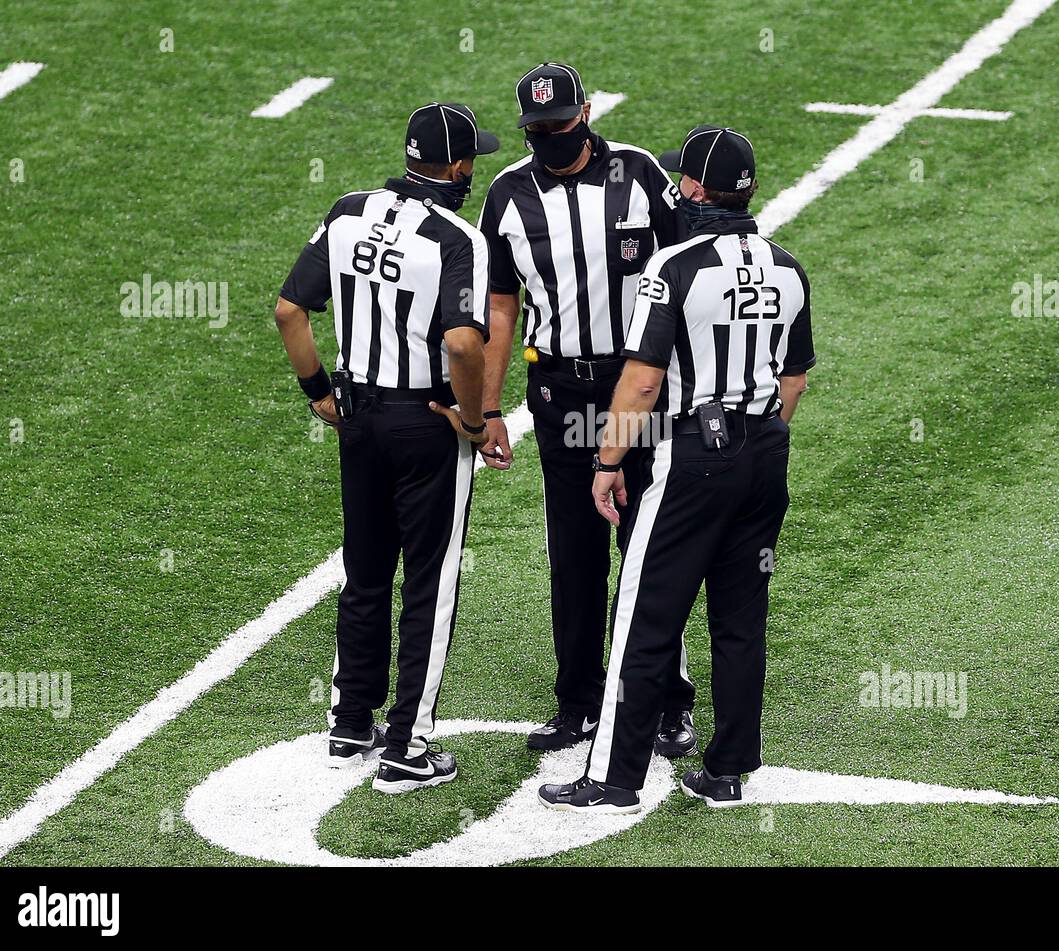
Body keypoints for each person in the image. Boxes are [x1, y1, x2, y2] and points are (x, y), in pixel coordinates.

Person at [538, 125, 815, 813]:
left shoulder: (677, 267)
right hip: (765, 455)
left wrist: (607, 461)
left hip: (696, 455)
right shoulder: (787, 266)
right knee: (741, 620)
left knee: (642, 616)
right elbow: (794, 382)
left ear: (693, 189)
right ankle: (727, 770)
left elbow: (639, 384)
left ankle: (614, 777)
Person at [274, 102, 498, 794]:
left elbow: (289, 310)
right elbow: (463, 341)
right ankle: (407, 744)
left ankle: (349, 724)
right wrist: (472, 417)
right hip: (425, 422)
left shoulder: (346, 211)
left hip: (360, 414)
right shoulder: (458, 238)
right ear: (458, 168)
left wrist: (318, 390)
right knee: (429, 583)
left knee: (365, 571)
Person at [477, 62, 697, 755]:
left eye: (560, 124)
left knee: (647, 543)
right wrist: (488, 408)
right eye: (537, 129)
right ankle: (577, 700)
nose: (550, 138)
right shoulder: (508, 193)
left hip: (635, 384)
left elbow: (687, 268)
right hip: (558, 390)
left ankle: (666, 700)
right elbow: (501, 306)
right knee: (573, 551)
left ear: (588, 111)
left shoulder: (637, 176)